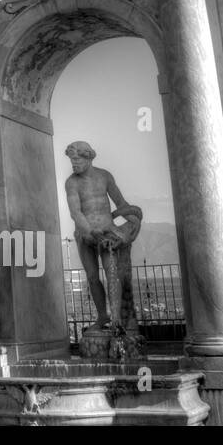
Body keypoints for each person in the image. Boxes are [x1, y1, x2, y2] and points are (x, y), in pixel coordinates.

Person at [64, 141, 141, 329]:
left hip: (108, 233)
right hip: (85, 234)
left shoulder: (104, 176)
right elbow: (76, 212)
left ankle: (116, 319)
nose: (73, 164)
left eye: (76, 160)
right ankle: (102, 316)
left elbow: (121, 203)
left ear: (88, 157)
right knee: (92, 276)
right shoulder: (71, 182)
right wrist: (89, 231)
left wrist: (134, 220)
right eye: (71, 160)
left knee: (112, 274)